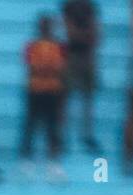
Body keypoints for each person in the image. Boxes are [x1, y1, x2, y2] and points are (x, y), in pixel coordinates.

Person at [20, 14, 67, 181]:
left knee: (52, 127)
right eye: (43, 25)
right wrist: (48, 69)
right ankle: (26, 163)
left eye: (48, 25)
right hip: (35, 90)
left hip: (53, 91)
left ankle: (53, 163)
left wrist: (46, 69)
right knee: (31, 125)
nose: (46, 28)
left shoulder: (59, 46)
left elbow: (61, 69)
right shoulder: (32, 46)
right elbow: (32, 68)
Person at [62, 0, 101, 153]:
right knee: (66, 97)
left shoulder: (90, 6)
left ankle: (87, 133)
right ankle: (63, 136)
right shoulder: (69, 6)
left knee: (88, 97)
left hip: (87, 56)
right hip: (72, 56)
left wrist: (82, 36)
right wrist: (84, 36)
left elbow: (95, 34)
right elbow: (69, 33)